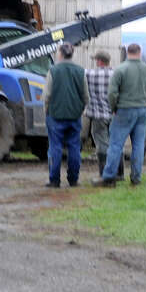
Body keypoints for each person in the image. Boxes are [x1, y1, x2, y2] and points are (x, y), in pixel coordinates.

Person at [95, 43, 146, 187]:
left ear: (127, 52)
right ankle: (136, 177)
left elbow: (112, 93)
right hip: (142, 111)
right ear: (139, 53)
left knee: (116, 145)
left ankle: (109, 177)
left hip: (123, 110)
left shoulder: (120, 69)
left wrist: (114, 108)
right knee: (138, 145)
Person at [43, 43, 87, 187]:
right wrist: (80, 110)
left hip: (55, 115)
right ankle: (73, 179)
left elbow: (47, 95)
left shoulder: (53, 71)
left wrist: (46, 110)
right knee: (74, 147)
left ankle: (54, 180)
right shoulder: (80, 71)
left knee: (55, 147)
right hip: (74, 116)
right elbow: (85, 96)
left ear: (60, 54)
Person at [85, 50, 122, 179]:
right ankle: (120, 173)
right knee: (116, 143)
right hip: (116, 115)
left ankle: (105, 172)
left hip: (98, 116)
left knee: (102, 144)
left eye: (96, 60)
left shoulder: (90, 74)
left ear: (99, 61)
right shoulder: (117, 74)